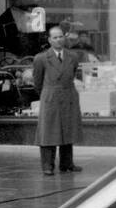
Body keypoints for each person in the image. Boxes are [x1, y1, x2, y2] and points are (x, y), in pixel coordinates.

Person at [32, 25, 83, 175]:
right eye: (55, 37)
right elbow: (38, 82)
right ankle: (47, 165)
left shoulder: (72, 56)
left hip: (68, 95)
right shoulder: (41, 58)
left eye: (61, 36)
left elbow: (72, 74)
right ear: (49, 40)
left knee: (68, 129)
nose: (59, 40)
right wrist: (48, 94)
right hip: (51, 97)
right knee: (49, 132)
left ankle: (67, 163)